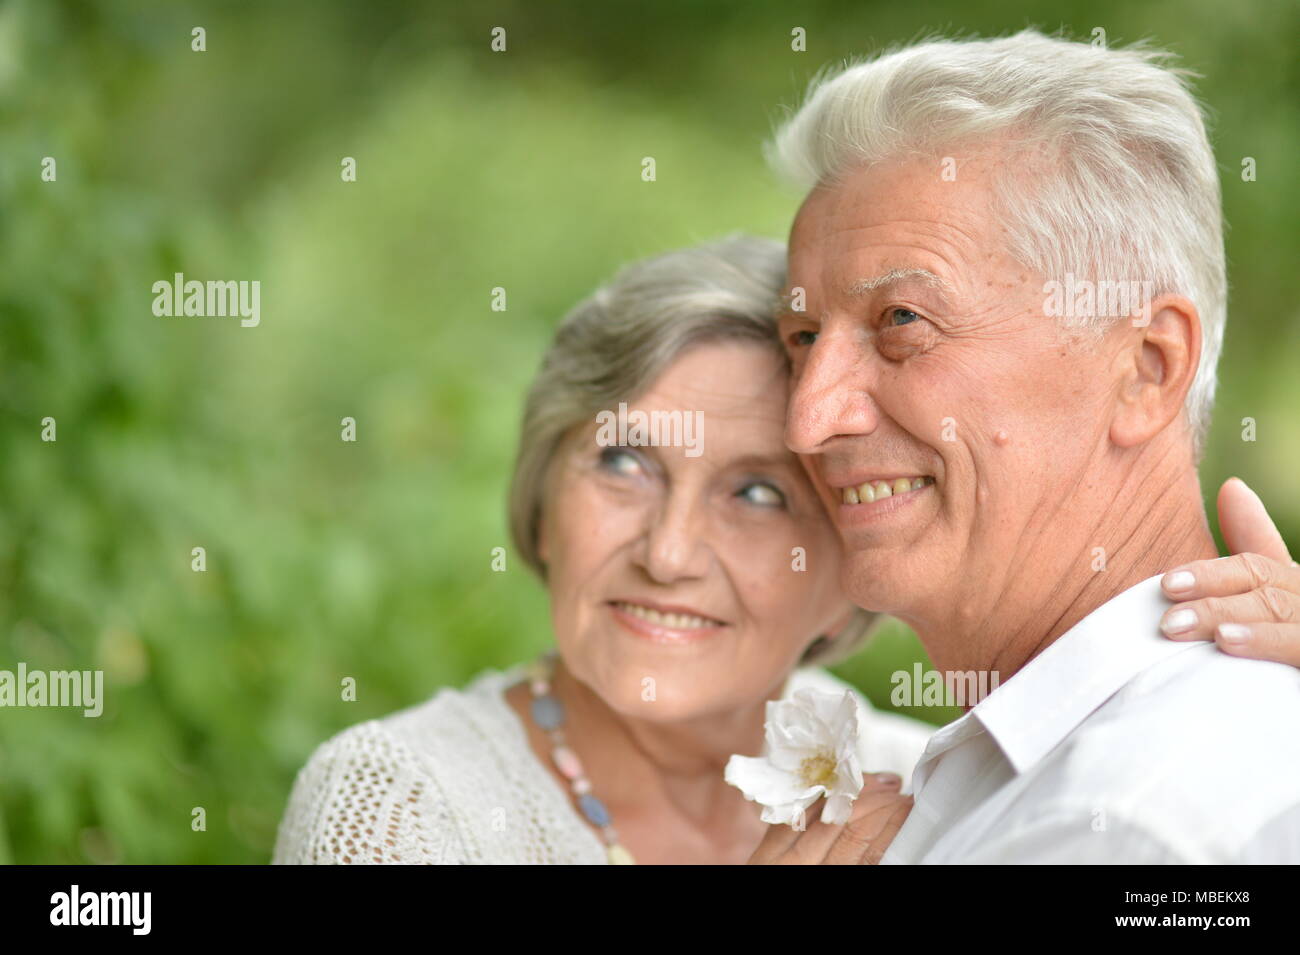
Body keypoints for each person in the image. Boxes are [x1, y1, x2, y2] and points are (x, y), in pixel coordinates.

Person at [273, 233, 1299, 865]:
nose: (669, 552)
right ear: (541, 498)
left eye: (758, 493)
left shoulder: (941, 789)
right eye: (625, 464)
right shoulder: (400, 805)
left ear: (851, 568)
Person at [757, 29, 1300, 864]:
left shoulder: (1123, 821)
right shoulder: (1052, 771)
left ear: (1147, 369)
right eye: (801, 335)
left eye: (902, 320)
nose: (808, 417)